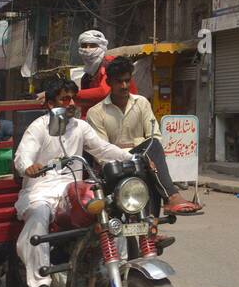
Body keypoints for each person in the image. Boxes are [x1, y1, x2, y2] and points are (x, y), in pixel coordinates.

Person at [14, 77, 133, 287]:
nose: (70, 103)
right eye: (64, 99)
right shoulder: (38, 127)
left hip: (72, 190)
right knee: (38, 215)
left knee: (111, 208)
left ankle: (118, 269)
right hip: (41, 190)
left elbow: (102, 149)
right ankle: (40, 284)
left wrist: (130, 156)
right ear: (50, 104)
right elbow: (23, 156)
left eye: (73, 98)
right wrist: (29, 166)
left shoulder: (80, 126)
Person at [85, 58, 202, 215]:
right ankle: (172, 197)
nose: (124, 86)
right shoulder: (96, 112)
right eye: (119, 82)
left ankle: (152, 229)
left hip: (142, 162)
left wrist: (140, 155)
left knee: (151, 156)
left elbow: (155, 136)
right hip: (113, 167)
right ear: (109, 82)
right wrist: (135, 152)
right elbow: (103, 151)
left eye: (127, 81)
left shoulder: (142, 103)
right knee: (150, 151)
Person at [72, 29, 135, 112]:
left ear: (102, 47)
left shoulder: (110, 64)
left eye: (92, 45)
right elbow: (86, 105)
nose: (87, 49)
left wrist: (71, 95)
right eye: (84, 46)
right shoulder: (87, 77)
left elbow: (104, 92)